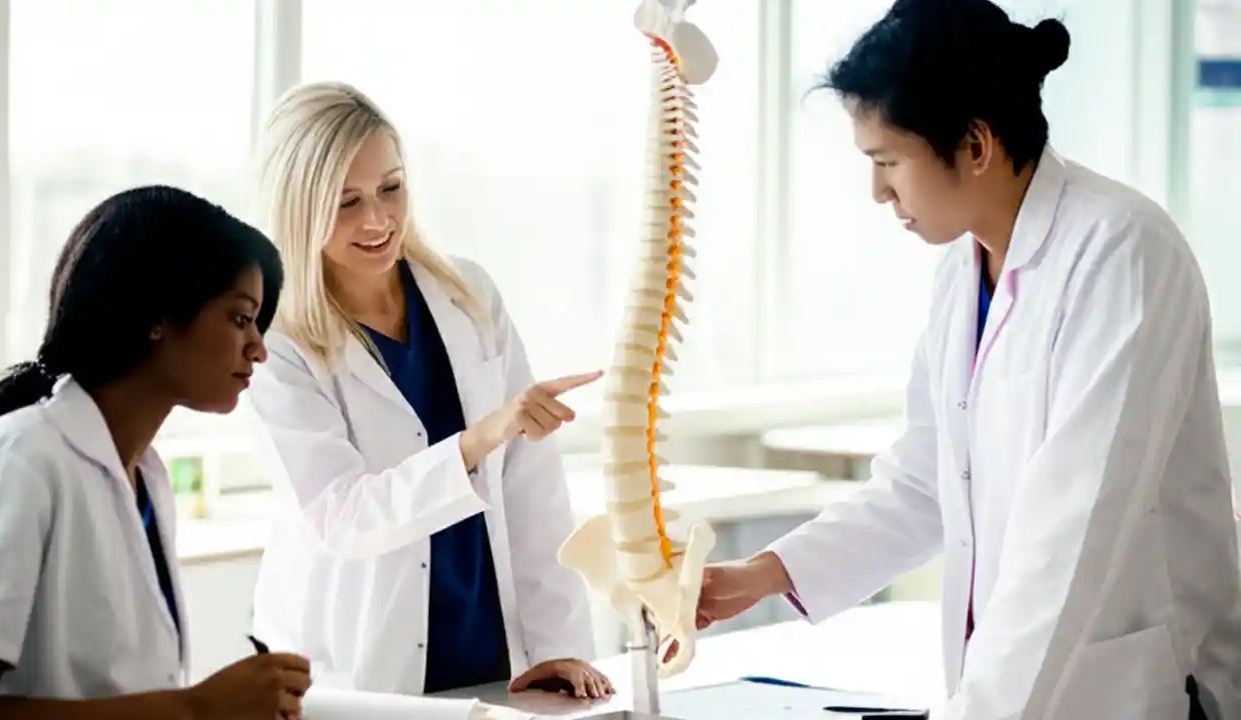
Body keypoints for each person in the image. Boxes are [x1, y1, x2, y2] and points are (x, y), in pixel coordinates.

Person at [694, 1, 1241, 718]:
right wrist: (767, 572)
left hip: (1137, 691)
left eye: (888, 161)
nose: (877, 190)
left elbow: (1076, 527)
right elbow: (925, 482)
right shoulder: (964, 269)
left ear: (976, 144)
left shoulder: (1121, 251)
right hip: (1016, 689)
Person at [245, 81, 613, 700]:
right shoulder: (276, 338)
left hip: (494, 649)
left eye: (391, 187)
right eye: (346, 202)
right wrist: (478, 440)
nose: (378, 219)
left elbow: (532, 488)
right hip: (360, 666)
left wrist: (560, 647)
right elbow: (343, 515)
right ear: (300, 207)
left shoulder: (466, 295)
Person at [0, 186, 313, 719]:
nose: (258, 349)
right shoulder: (22, 462)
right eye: (240, 319)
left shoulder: (147, 476)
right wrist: (196, 709)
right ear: (159, 317)